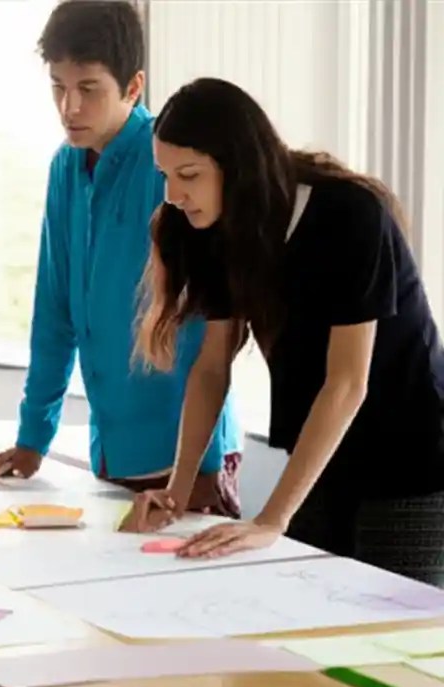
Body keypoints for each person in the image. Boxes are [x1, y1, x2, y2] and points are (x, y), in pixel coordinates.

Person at [123, 77, 444, 585]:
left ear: (240, 168)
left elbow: (346, 383)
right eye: (164, 174)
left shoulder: (350, 215)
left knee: (393, 635)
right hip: (320, 459)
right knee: (311, 625)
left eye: (188, 174)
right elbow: (211, 367)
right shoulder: (211, 229)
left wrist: (273, 517)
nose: (173, 194)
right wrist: (177, 490)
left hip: (411, 461)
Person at [0, 0, 242, 518]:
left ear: (133, 86)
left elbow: (212, 327)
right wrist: (34, 435)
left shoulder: (171, 166)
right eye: (58, 87)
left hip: (188, 457)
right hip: (111, 453)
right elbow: (55, 312)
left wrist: (204, 467)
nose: (69, 108)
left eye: (88, 89)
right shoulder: (64, 168)